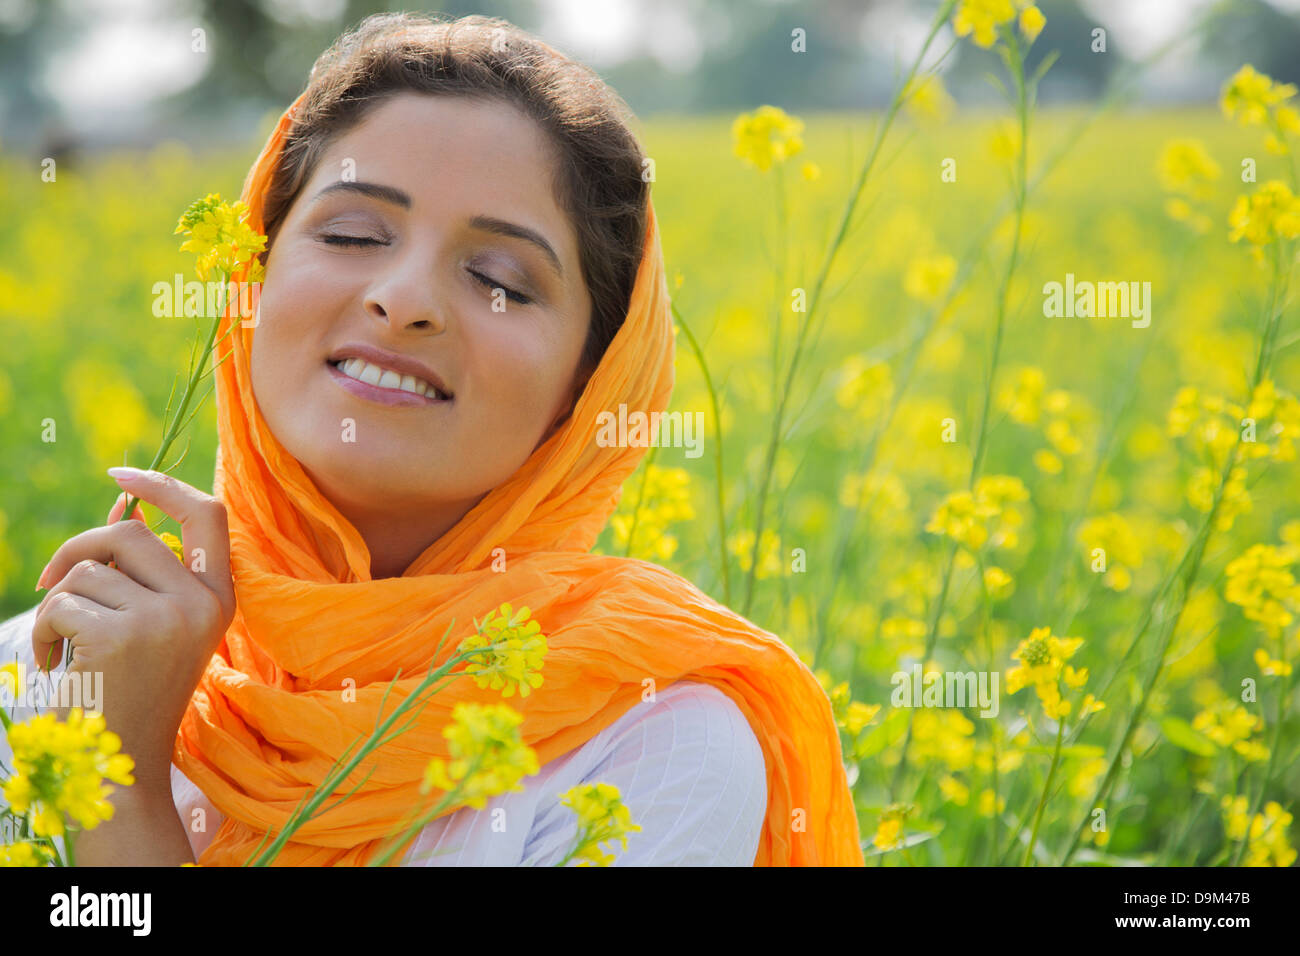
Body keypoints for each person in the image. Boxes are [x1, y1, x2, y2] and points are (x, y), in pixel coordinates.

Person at [0, 12, 863, 866]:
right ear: (253, 275)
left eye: (499, 280)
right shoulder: (44, 669)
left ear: (590, 384)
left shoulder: (657, 741)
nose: (405, 298)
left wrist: (112, 788)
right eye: (350, 234)